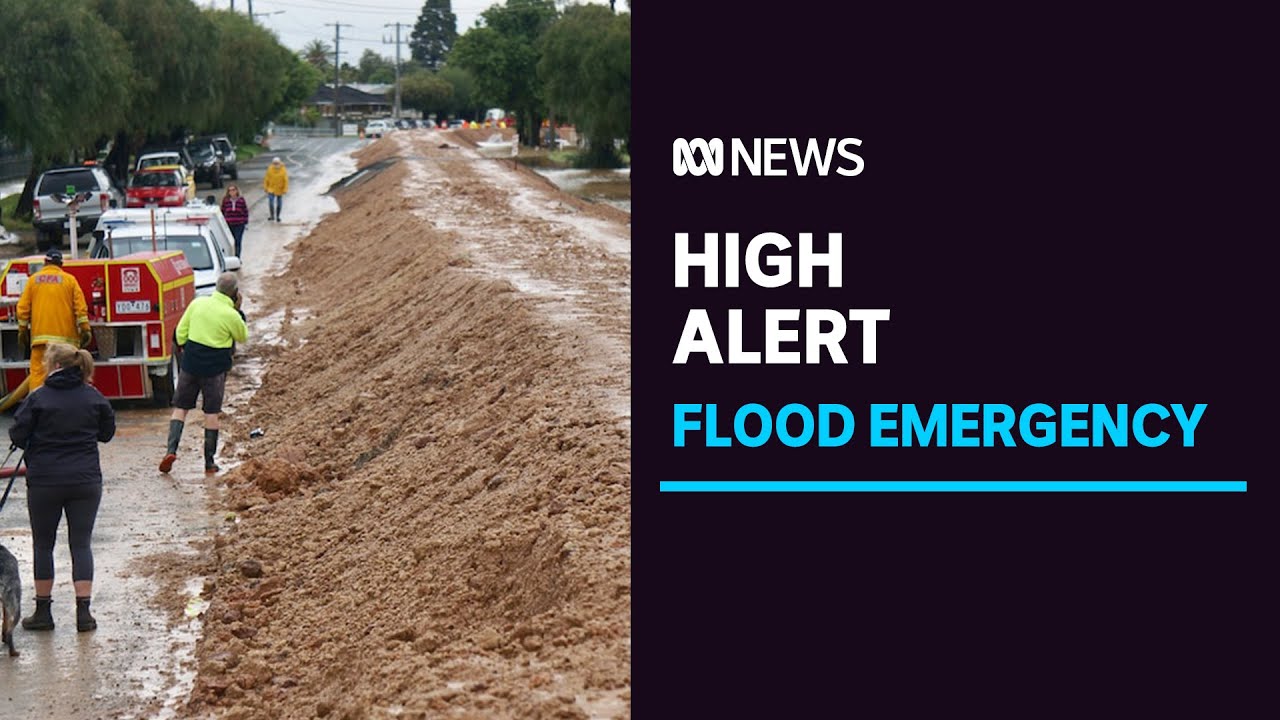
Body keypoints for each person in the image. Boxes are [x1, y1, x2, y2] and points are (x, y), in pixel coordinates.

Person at [9, 342, 116, 633]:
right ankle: (84, 614)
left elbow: (17, 434)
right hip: (85, 481)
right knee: (81, 544)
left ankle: (43, 612)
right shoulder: (94, 397)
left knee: (43, 544)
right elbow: (107, 433)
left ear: (54, 366)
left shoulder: (38, 398)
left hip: (45, 481)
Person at [160, 272, 247, 475]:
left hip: (190, 364)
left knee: (180, 408)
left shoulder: (197, 304)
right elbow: (242, 336)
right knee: (211, 413)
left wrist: (187, 348)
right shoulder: (231, 314)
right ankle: (209, 462)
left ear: (216, 287)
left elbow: (180, 333)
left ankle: (170, 450)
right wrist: (238, 311)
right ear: (235, 293)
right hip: (215, 370)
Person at [16, 248, 92, 391]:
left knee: (38, 375)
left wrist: (22, 331)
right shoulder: (70, 280)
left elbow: (22, 309)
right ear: (61, 264)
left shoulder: (33, 280)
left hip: (40, 341)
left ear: (45, 262)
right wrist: (85, 329)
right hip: (66, 344)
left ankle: (37, 405)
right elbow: (80, 308)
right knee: (68, 373)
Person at [220, 184, 249, 257]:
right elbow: (222, 211)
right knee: (230, 241)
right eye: (230, 190)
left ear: (236, 191)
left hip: (239, 224)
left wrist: (245, 221)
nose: (232, 192)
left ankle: (237, 257)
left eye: (233, 190)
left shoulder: (241, 200)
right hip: (229, 224)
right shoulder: (226, 200)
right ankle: (230, 256)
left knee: (237, 240)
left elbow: (245, 211)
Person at [263, 156, 288, 222]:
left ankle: (278, 216)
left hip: (280, 189)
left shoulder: (283, 170)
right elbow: (266, 179)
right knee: (271, 202)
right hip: (271, 189)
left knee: (279, 204)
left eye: (277, 163)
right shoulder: (270, 169)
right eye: (274, 163)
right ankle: (272, 216)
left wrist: (285, 189)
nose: (276, 165)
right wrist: (265, 187)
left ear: (280, 163)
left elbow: (286, 180)